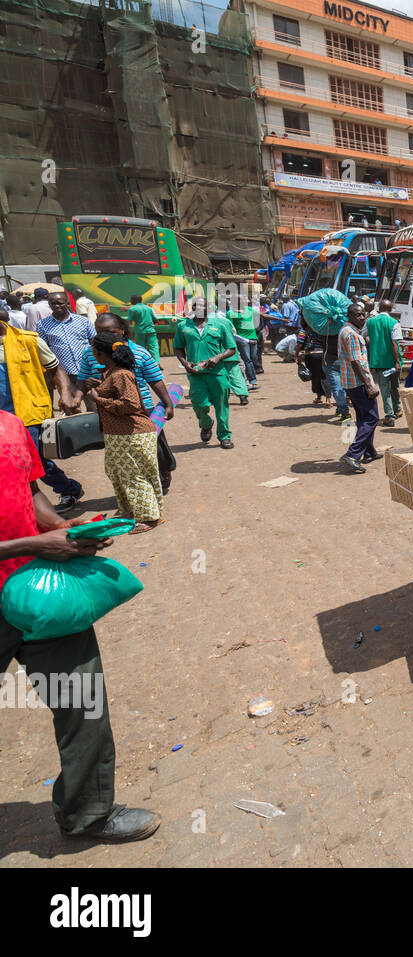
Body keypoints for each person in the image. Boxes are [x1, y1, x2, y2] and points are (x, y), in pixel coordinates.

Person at [0, 409, 162, 843]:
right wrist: (35, 543)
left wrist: (62, 529)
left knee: (82, 703)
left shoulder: (9, 424)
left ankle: (88, 814)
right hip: (26, 569)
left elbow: (29, 490)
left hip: (42, 595)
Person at [75, 312, 176, 494]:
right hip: (110, 411)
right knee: (124, 450)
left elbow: (155, 379)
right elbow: (82, 379)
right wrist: (78, 396)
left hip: (142, 409)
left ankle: (163, 470)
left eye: (110, 331)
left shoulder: (139, 352)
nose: (104, 335)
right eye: (99, 332)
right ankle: (137, 486)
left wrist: (167, 403)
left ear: (122, 331)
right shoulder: (91, 354)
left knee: (154, 445)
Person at [0, 306, 84, 510]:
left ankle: (68, 489)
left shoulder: (29, 340)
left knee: (32, 460)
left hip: (27, 412)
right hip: (2, 416)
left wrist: (65, 393)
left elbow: (55, 368)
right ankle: (26, 504)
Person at [85, 333, 164, 532]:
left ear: (100, 353)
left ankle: (149, 517)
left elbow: (130, 404)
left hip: (131, 433)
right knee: (116, 472)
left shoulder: (121, 374)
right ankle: (131, 510)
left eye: (93, 350)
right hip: (118, 434)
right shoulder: (111, 372)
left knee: (134, 475)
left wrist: (98, 399)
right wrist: (98, 387)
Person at [172, 297, 237, 449]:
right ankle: (206, 423)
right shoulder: (183, 326)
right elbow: (178, 347)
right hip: (195, 374)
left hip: (217, 373)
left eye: (202, 305)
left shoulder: (220, 324)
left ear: (209, 308)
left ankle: (224, 436)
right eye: (196, 305)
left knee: (222, 405)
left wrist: (217, 357)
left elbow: (231, 348)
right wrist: (185, 363)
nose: (199, 308)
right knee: (199, 404)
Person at [338, 302, 380, 473]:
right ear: (349, 316)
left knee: (364, 418)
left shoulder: (347, 331)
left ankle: (369, 451)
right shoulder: (352, 334)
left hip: (351, 382)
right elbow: (356, 361)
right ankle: (353, 454)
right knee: (371, 418)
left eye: (363, 314)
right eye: (357, 315)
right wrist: (369, 385)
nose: (362, 317)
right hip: (358, 383)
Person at [36, 292, 95, 384]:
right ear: (49, 305)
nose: (57, 306)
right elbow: (44, 350)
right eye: (53, 304)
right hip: (64, 375)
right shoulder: (42, 325)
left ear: (67, 303)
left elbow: (94, 343)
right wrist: (49, 374)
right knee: (69, 398)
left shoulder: (83, 321)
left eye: (60, 303)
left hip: (88, 371)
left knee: (94, 398)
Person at [365, 298, 404, 426]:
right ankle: (397, 409)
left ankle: (389, 415)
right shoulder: (394, 322)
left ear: (378, 308)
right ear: (391, 309)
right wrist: (397, 362)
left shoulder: (370, 322)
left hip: (379, 362)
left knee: (384, 389)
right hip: (393, 361)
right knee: (395, 386)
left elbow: (363, 336)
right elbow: (395, 343)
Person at [227, 298, 260, 392]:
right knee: (247, 360)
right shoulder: (231, 313)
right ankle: (252, 380)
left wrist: (279, 319)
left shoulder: (249, 310)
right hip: (242, 340)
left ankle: (249, 380)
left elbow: (262, 315)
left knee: (253, 358)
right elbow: (230, 328)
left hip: (253, 337)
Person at [295, 316, 328, 404]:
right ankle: (328, 399)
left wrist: (297, 355)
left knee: (315, 377)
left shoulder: (304, 331)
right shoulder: (321, 330)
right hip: (323, 355)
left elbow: (299, 344)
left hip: (311, 356)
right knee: (324, 376)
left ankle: (319, 397)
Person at [125, 294, 160, 362]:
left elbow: (129, 321)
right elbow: (156, 320)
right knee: (154, 347)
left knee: (140, 348)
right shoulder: (149, 308)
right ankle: (157, 362)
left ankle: (143, 363)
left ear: (135, 300)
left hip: (140, 331)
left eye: (131, 299)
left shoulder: (132, 309)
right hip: (151, 331)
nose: (130, 301)